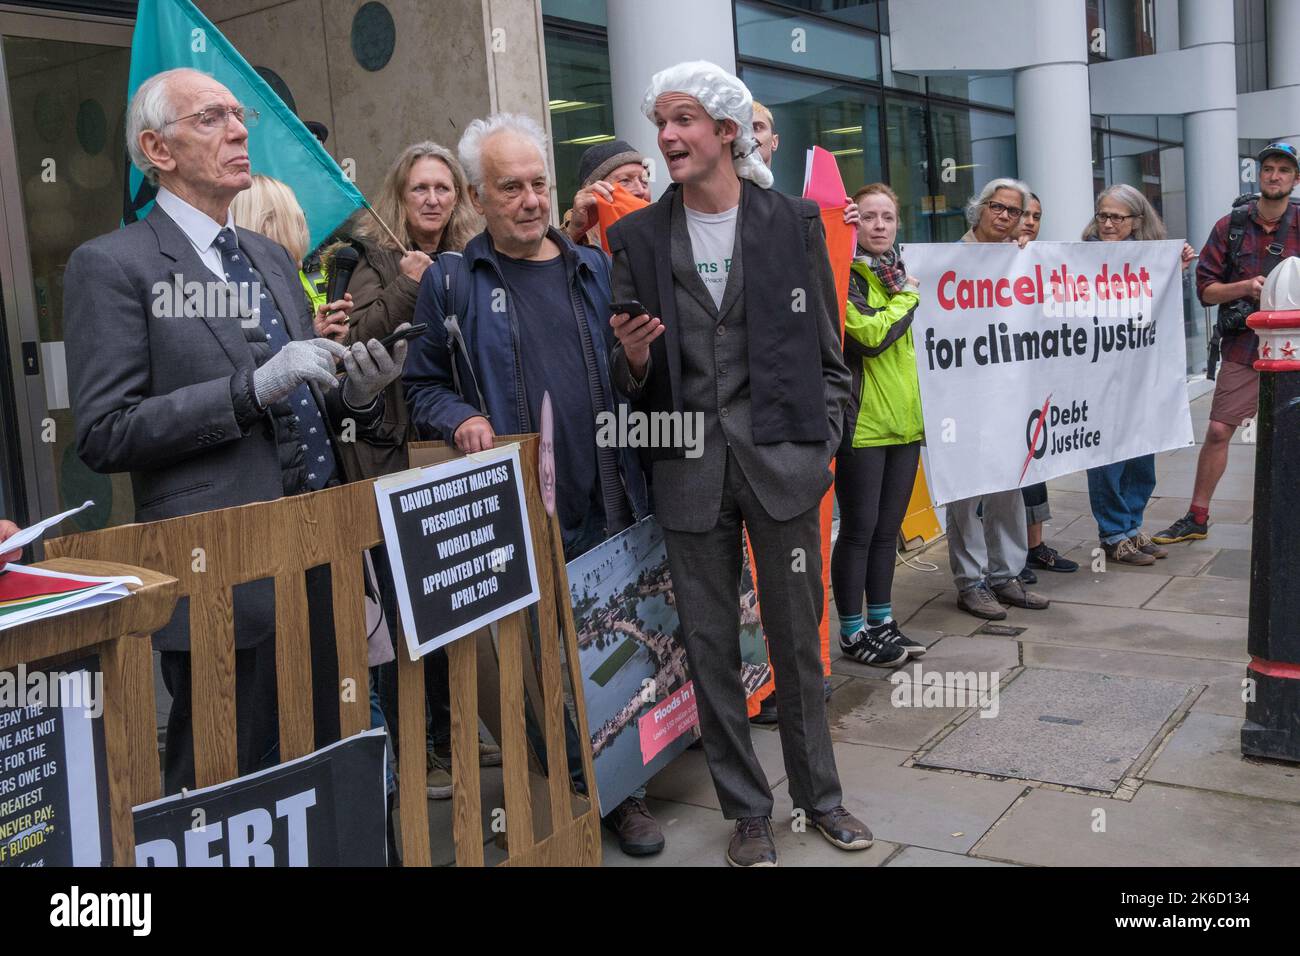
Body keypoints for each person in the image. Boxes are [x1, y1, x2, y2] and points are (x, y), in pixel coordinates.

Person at [63, 67, 406, 793]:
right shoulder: (112, 266)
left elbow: (304, 406)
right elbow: (104, 432)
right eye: (212, 119)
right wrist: (249, 388)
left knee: (340, 774)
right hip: (221, 579)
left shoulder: (271, 258)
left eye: (238, 115)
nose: (240, 131)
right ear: (157, 149)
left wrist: (359, 396)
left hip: (326, 564)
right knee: (232, 789)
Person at [608, 60, 873, 868]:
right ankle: (747, 810)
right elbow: (633, 380)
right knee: (710, 645)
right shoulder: (637, 238)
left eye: (683, 119)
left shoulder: (791, 222)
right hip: (685, 468)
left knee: (797, 641)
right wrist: (631, 362)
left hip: (784, 466)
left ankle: (820, 798)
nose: (666, 135)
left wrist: (820, 444)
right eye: (660, 121)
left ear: (726, 130)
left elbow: (832, 356)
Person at [402, 112, 663, 857]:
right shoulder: (453, 283)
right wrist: (460, 420)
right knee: (536, 662)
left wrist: (638, 365)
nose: (529, 199)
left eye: (538, 183)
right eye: (509, 187)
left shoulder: (595, 269)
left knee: (611, 649)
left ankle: (623, 791)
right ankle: (566, 785)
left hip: (609, 493)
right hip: (518, 509)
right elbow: (420, 386)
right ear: (478, 200)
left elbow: (633, 382)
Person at [1154, 142, 1300, 546]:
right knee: (1218, 429)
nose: (1274, 176)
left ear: (1294, 178)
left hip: (1296, 347)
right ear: (1259, 175)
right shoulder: (1230, 226)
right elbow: (1205, 291)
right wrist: (1246, 288)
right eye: (1268, 168)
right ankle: (1197, 516)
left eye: (1283, 170)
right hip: (1243, 346)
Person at [948, 178, 1051, 620]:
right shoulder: (949, 258)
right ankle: (971, 582)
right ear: (980, 209)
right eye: (998, 207)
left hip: (1008, 390)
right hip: (961, 393)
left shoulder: (1023, 261)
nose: (1006, 216)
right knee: (965, 492)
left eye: (1014, 210)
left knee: (1009, 484)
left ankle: (1006, 574)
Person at [831, 182, 925, 667]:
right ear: (855, 223)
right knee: (859, 530)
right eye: (869, 217)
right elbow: (868, 336)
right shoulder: (844, 274)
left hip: (904, 423)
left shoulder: (898, 273)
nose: (880, 226)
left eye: (887, 217)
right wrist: (908, 300)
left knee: (888, 531)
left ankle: (883, 621)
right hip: (862, 425)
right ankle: (851, 632)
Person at [1081, 184, 1196, 565]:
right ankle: (1113, 533)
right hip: (1099, 372)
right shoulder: (1080, 256)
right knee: (1107, 455)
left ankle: (1132, 526)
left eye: (1118, 217)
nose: (1109, 223)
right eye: (1103, 215)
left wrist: (1172, 270)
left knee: (1141, 452)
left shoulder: (1150, 257)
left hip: (1140, 372)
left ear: (1137, 220)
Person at [1012, 192, 1079, 585]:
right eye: (1023, 214)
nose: (1030, 222)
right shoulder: (981, 257)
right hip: (999, 382)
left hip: (1034, 381)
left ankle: (1034, 546)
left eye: (1037, 215)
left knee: (1032, 462)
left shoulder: (1046, 261)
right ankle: (1007, 554)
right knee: (1003, 474)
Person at [564, 139, 651, 244]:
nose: (641, 190)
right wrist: (574, 232)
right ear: (594, 191)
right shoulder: (576, 240)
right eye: (625, 181)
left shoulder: (663, 230)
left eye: (644, 181)